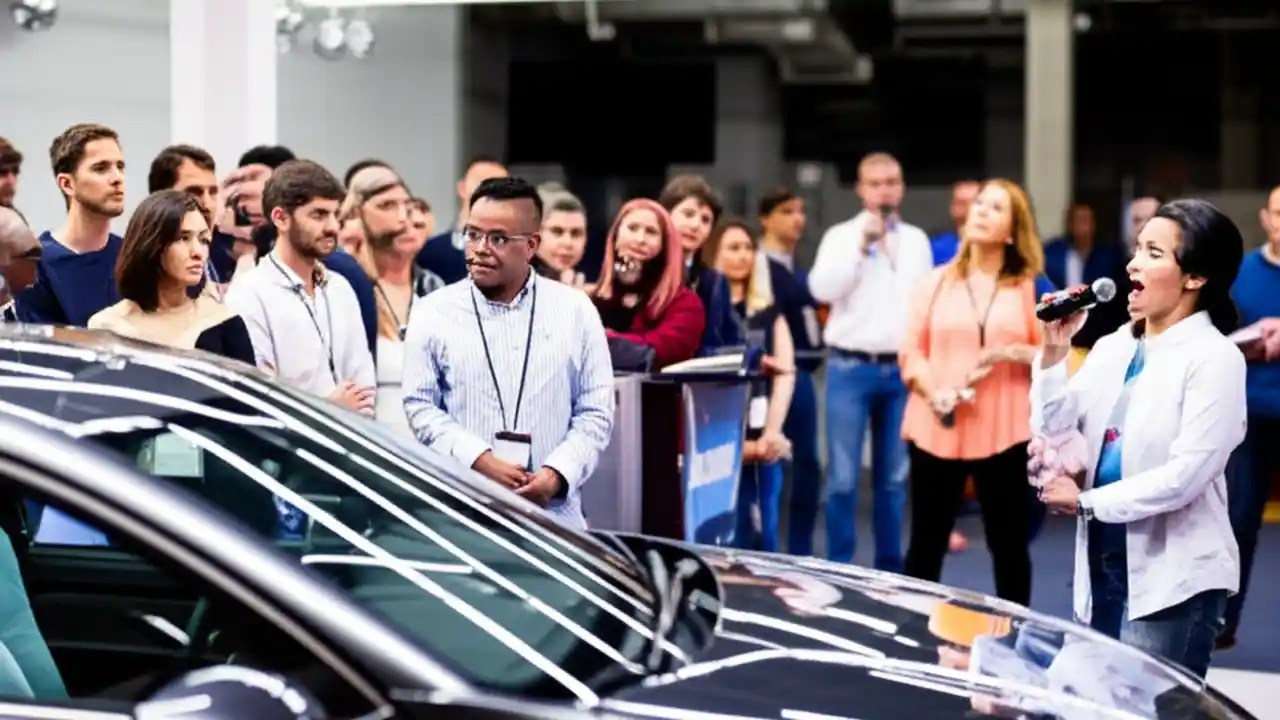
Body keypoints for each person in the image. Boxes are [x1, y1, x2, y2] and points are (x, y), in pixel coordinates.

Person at [1034, 199, 1246, 678]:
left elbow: (1184, 477)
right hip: (1103, 562)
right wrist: (1053, 355)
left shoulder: (1215, 359)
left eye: (1153, 252)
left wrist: (1087, 501)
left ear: (1195, 277)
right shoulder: (1115, 346)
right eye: (1137, 248)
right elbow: (1056, 427)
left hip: (1175, 581)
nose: (1132, 263)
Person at [402, 177, 614, 530]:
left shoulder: (574, 309)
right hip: (462, 516)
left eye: (498, 238)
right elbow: (420, 406)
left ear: (531, 245)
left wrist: (556, 475)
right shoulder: (433, 310)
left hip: (555, 519)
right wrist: (479, 459)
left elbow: (596, 411)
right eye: (472, 234)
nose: (480, 248)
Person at [899, 179, 1046, 606]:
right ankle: (914, 634)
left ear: (1012, 229)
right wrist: (932, 391)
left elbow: (1051, 355)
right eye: (979, 203)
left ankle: (1016, 637)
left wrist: (1008, 351)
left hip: (1003, 427)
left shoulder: (1029, 286)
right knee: (925, 545)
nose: (981, 211)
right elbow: (912, 351)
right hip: (936, 422)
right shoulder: (934, 283)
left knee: (1009, 546)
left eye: (995, 207)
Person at [808, 152, 933, 570]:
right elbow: (823, 289)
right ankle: (840, 566)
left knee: (894, 480)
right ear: (861, 189)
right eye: (875, 183)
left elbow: (924, 304)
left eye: (892, 182)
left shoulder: (916, 239)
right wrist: (861, 248)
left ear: (902, 187)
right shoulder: (841, 236)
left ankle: (890, 570)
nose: (884, 189)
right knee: (842, 479)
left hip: (900, 370)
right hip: (849, 368)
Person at [224, 160, 376, 416]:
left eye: (334, 215)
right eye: (318, 215)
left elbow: (365, 392)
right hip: (285, 453)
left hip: (354, 447)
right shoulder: (248, 294)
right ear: (281, 218)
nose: (332, 227)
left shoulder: (341, 289)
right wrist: (329, 409)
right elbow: (260, 400)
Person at [705, 218, 796, 551]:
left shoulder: (769, 312)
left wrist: (773, 431)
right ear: (715, 254)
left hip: (763, 435)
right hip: (717, 436)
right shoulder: (704, 309)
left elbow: (786, 374)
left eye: (748, 248)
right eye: (733, 248)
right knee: (723, 532)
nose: (743, 255)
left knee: (765, 531)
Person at [1217, 184, 1280, 649]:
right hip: (1250, 416)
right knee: (1238, 521)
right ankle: (1224, 622)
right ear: (1264, 217)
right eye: (1279, 213)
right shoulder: (1241, 275)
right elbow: (1215, 337)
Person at [88, 190, 254, 364]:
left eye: (204, 240)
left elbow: (250, 390)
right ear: (151, 242)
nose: (198, 252)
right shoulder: (108, 327)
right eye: (183, 238)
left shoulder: (223, 322)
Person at [342, 166, 445, 437]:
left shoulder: (432, 286)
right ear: (357, 214)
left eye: (407, 207)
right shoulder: (348, 286)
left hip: (432, 441)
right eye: (388, 206)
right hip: (368, 438)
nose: (403, 218)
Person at [16, 123, 126, 326]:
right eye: (101, 168)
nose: (117, 178)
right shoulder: (35, 267)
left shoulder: (135, 258)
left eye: (120, 167)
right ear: (67, 184)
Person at [592, 198, 705, 370]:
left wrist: (601, 340)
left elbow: (661, 352)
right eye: (632, 228)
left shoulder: (685, 303)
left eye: (651, 232)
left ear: (665, 244)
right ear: (615, 237)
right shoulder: (589, 299)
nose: (640, 239)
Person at [658, 174, 741, 355]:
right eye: (688, 214)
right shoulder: (644, 271)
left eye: (705, 220)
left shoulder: (715, 282)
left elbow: (732, 341)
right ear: (665, 214)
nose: (696, 225)